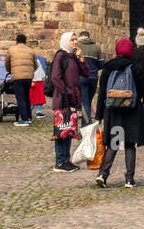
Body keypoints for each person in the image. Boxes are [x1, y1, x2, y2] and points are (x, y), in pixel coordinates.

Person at [94, 37, 144, 188]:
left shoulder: (108, 67)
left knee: (114, 143)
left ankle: (103, 175)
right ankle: (129, 179)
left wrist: (98, 115)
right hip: (131, 111)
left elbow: (102, 94)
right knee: (130, 144)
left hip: (114, 112)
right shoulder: (135, 67)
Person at [49, 31, 85, 169]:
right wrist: (66, 92)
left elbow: (85, 73)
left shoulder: (73, 57)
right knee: (61, 130)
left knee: (69, 130)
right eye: (72, 40)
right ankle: (60, 161)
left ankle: (66, 159)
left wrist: (81, 58)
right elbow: (55, 77)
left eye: (76, 39)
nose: (75, 42)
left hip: (73, 99)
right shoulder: (60, 56)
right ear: (66, 41)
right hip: (63, 99)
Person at [4, 32, 37, 127]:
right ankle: (29, 117)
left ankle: (24, 119)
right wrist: (30, 71)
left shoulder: (11, 49)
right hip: (29, 77)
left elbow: (7, 63)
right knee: (27, 97)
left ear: (16, 41)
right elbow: (35, 64)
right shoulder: (31, 50)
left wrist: (11, 71)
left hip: (17, 77)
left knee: (20, 97)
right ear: (25, 41)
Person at [78, 30, 102, 118]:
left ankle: (86, 124)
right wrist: (94, 68)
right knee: (88, 101)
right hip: (93, 77)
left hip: (81, 77)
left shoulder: (77, 46)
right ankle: (88, 122)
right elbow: (102, 64)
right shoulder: (97, 47)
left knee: (85, 103)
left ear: (81, 36)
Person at [30, 55, 47, 119]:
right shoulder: (38, 64)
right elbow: (43, 76)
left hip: (32, 83)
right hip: (39, 83)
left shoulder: (30, 65)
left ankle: (29, 111)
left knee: (31, 98)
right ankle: (39, 112)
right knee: (38, 98)